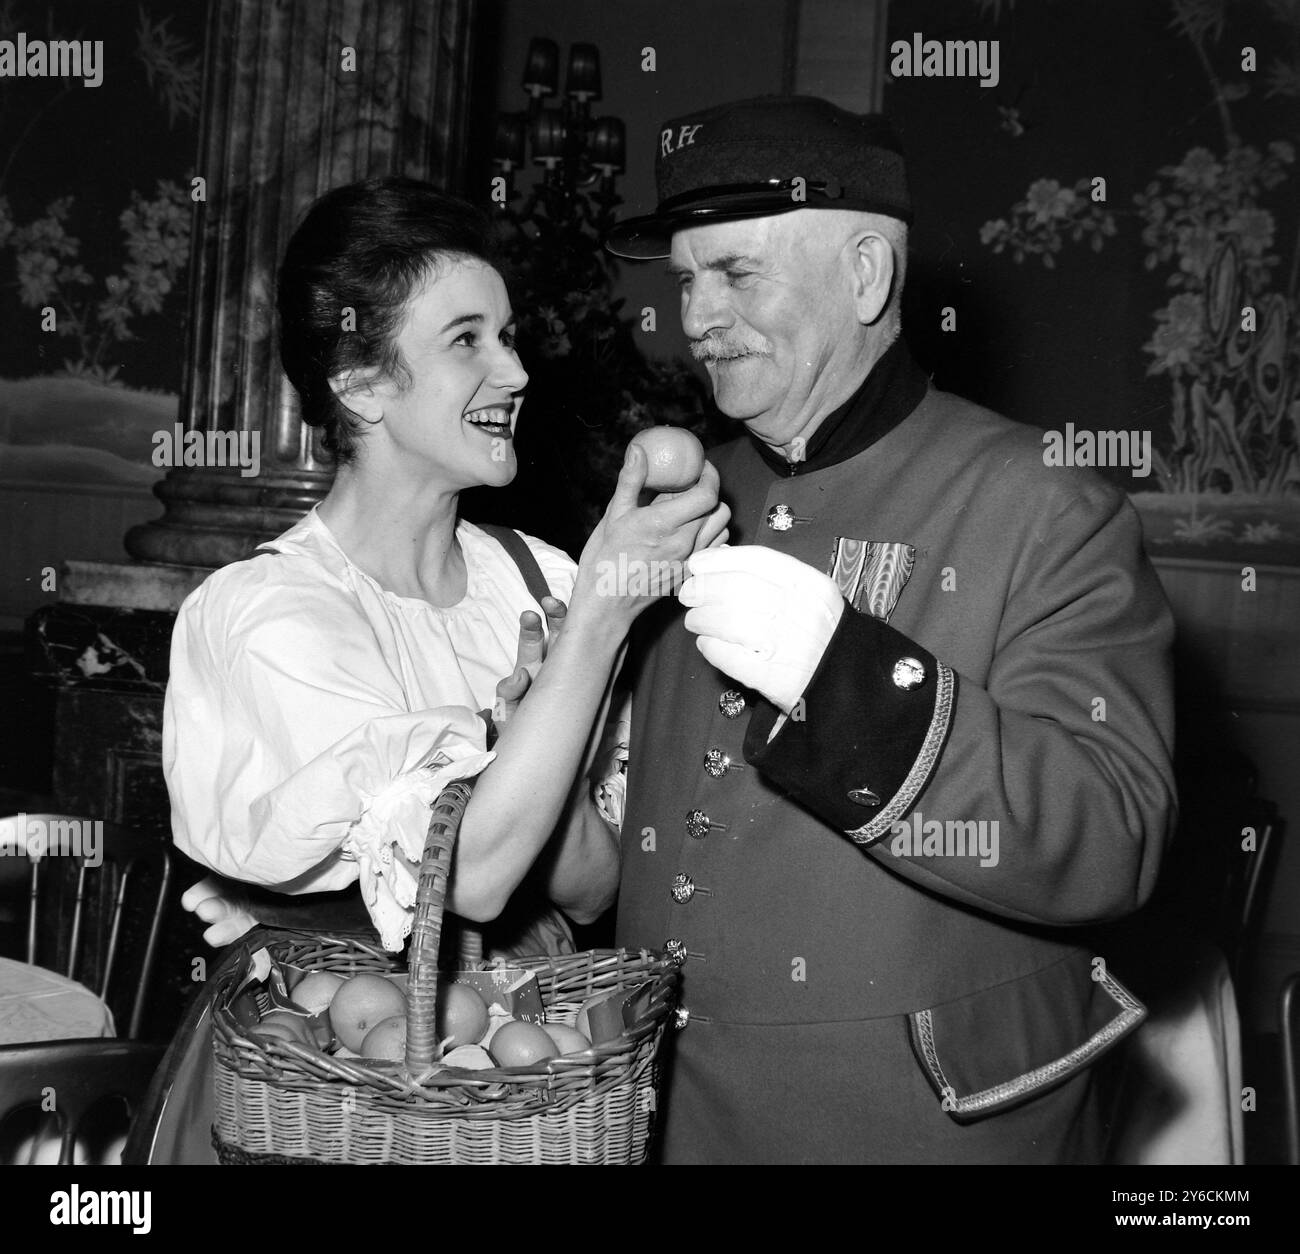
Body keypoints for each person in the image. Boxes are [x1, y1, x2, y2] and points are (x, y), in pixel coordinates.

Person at [597, 95, 1177, 1164]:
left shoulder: (1042, 501)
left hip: (905, 1129)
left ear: (865, 275)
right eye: (685, 281)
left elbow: (1113, 835)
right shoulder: (692, 494)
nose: (695, 320)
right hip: (667, 1119)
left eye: (734, 275)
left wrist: (845, 681)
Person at [164, 176, 727, 956]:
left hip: (534, 1062)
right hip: (350, 1066)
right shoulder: (269, 616)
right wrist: (601, 615)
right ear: (360, 385)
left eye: (507, 335)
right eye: (466, 340)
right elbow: (466, 878)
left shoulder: (541, 579)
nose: (516, 373)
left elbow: (598, 893)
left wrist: (537, 730)